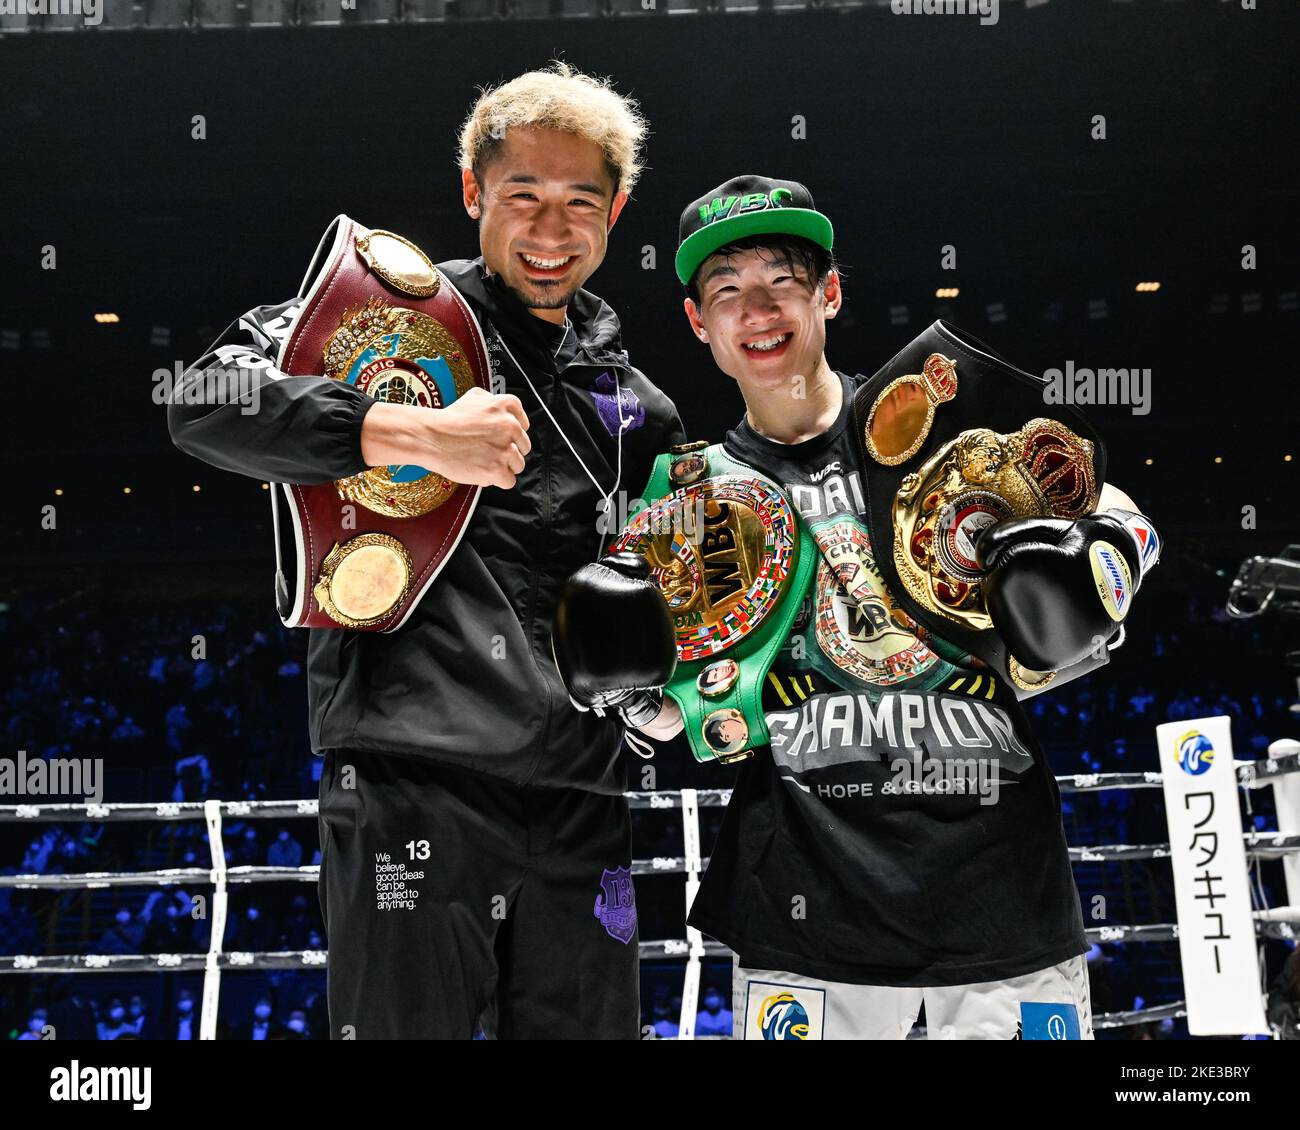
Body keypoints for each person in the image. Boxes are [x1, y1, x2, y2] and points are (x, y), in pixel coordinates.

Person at [557, 175, 1160, 1039]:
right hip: (806, 917)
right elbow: (671, 717)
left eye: (781, 282)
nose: (757, 310)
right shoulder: (687, 504)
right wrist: (624, 692)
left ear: (829, 294)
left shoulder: (941, 427)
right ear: (700, 324)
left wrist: (1096, 569)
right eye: (727, 291)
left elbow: (1124, 521)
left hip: (1002, 901)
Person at [167, 62, 684, 1039]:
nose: (550, 230)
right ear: (472, 193)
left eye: (580, 202)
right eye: (522, 196)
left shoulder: (640, 410)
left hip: (584, 799)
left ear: (615, 210)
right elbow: (201, 400)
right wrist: (401, 432)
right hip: (413, 781)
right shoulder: (391, 317)